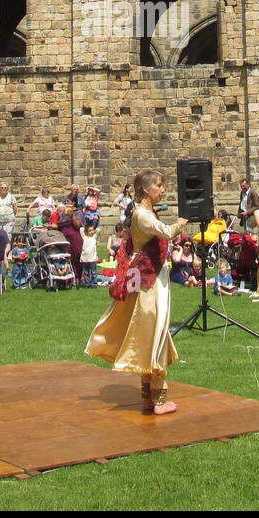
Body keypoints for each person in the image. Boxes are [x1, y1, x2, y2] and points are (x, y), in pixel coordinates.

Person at [86, 169, 187, 415]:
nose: (163, 190)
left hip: (151, 279)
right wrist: (179, 225)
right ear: (146, 189)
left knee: (149, 335)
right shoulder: (143, 215)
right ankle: (159, 401)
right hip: (150, 285)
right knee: (157, 333)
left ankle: (147, 398)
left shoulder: (145, 212)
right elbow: (163, 231)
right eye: (159, 186)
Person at [79, 222, 99, 286]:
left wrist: (94, 230)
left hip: (92, 258)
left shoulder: (94, 237)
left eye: (92, 230)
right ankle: (87, 283)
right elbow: (81, 229)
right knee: (86, 272)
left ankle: (94, 283)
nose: (91, 232)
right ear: (86, 232)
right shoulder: (85, 237)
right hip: (85, 258)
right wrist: (85, 226)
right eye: (90, 231)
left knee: (93, 271)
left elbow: (99, 230)